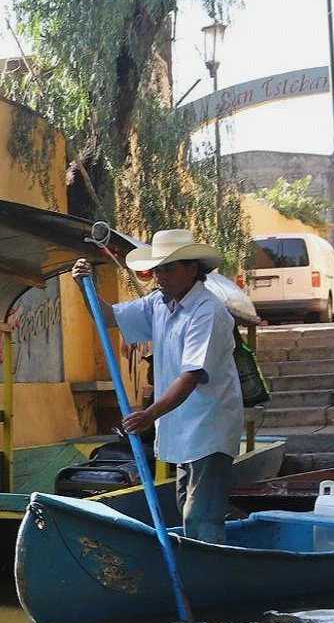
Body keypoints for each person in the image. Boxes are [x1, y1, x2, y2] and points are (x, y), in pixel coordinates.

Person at [71, 228, 243, 544]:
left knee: (200, 513)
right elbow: (108, 317)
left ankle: (206, 576)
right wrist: (85, 286)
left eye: (169, 268)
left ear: (192, 269)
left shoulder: (207, 311)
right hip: (180, 425)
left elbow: (191, 376)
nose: (160, 276)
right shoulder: (158, 304)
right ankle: (197, 567)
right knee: (185, 505)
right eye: (158, 269)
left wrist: (148, 415)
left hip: (209, 424)